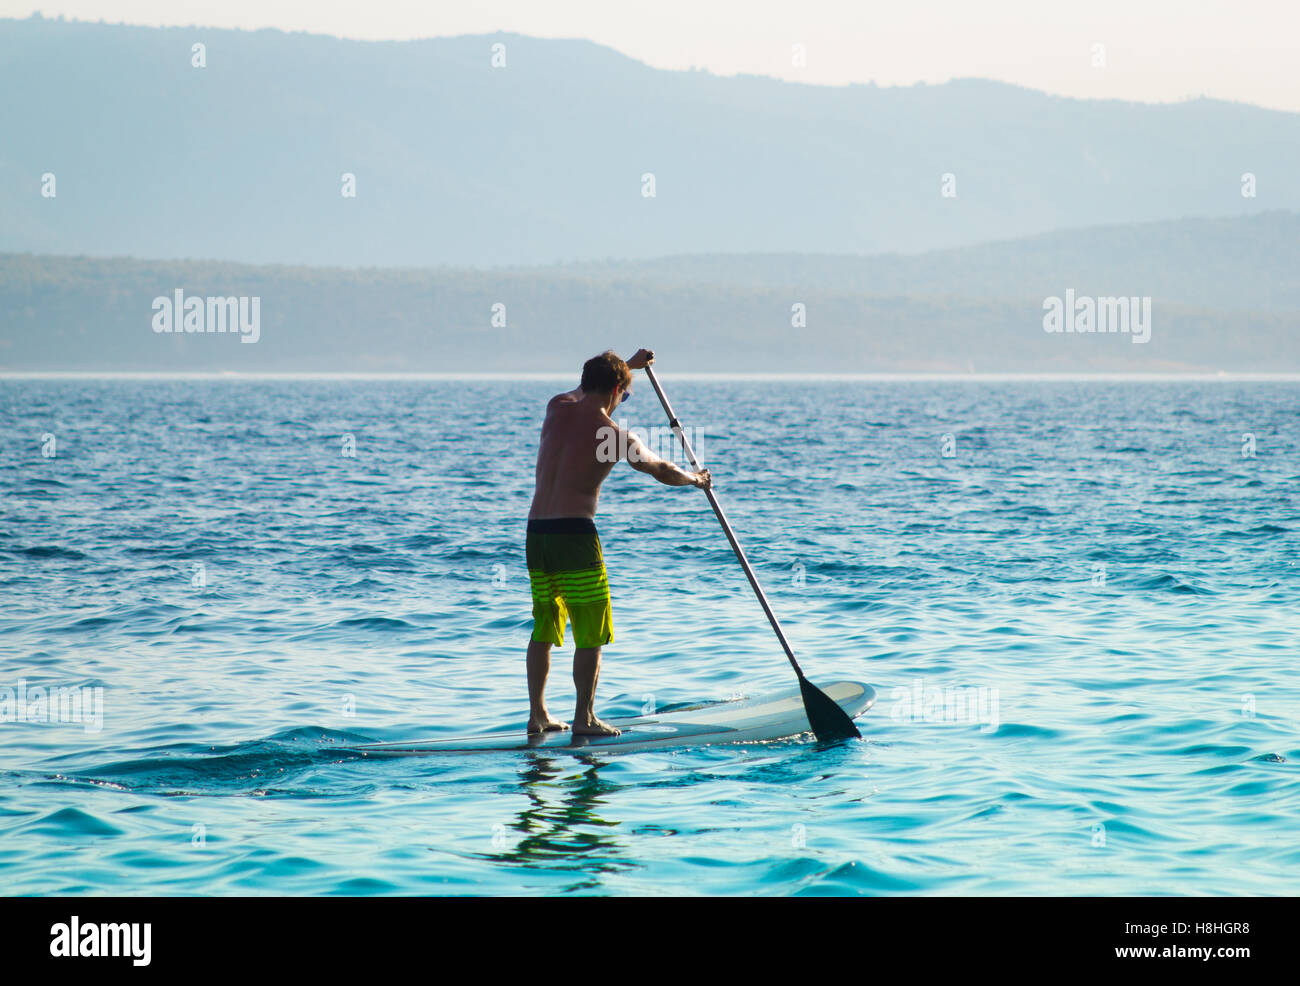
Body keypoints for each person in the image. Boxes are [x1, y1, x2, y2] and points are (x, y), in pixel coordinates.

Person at [525, 348, 710, 736]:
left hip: (537, 533)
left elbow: (587, 389)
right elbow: (660, 468)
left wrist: (628, 366)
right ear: (615, 390)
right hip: (574, 536)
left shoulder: (556, 407)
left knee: (544, 626)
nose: (622, 402)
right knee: (590, 632)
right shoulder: (613, 435)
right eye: (624, 395)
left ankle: (538, 716)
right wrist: (695, 480)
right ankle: (584, 719)